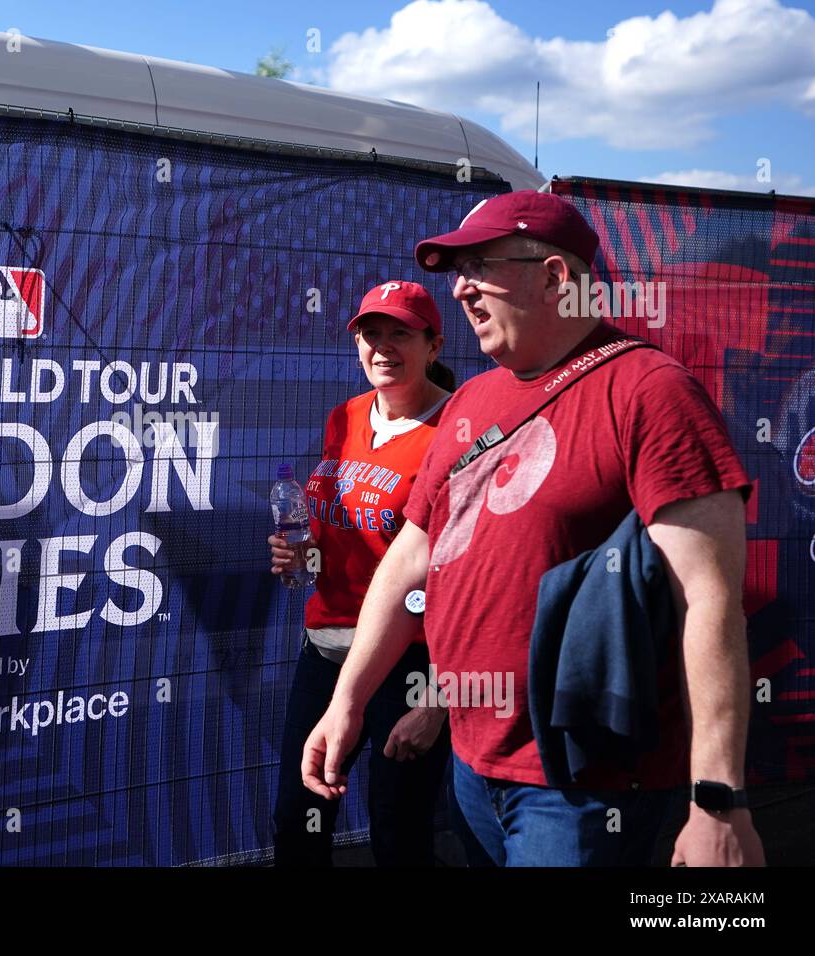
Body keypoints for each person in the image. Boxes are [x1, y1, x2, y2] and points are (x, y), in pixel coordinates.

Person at [301, 190, 766, 867]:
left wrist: (718, 799)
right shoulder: (473, 398)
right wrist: (348, 702)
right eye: (455, 271)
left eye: (479, 265)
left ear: (554, 277)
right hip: (472, 765)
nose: (459, 289)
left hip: (585, 788)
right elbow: (412, 559)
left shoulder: (650, 390)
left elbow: (711, 601)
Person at [269, 281, 455, 866]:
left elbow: (473, 573)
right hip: (325, 649)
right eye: (371, 333)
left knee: (398, 831)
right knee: (298, 818)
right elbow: (337, 528)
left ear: (433, 344)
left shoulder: (456, 431)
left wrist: (441, 700)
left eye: (401, 332)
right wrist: (303, 555)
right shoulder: (344, 417)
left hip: (411, 661)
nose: (383, 346)